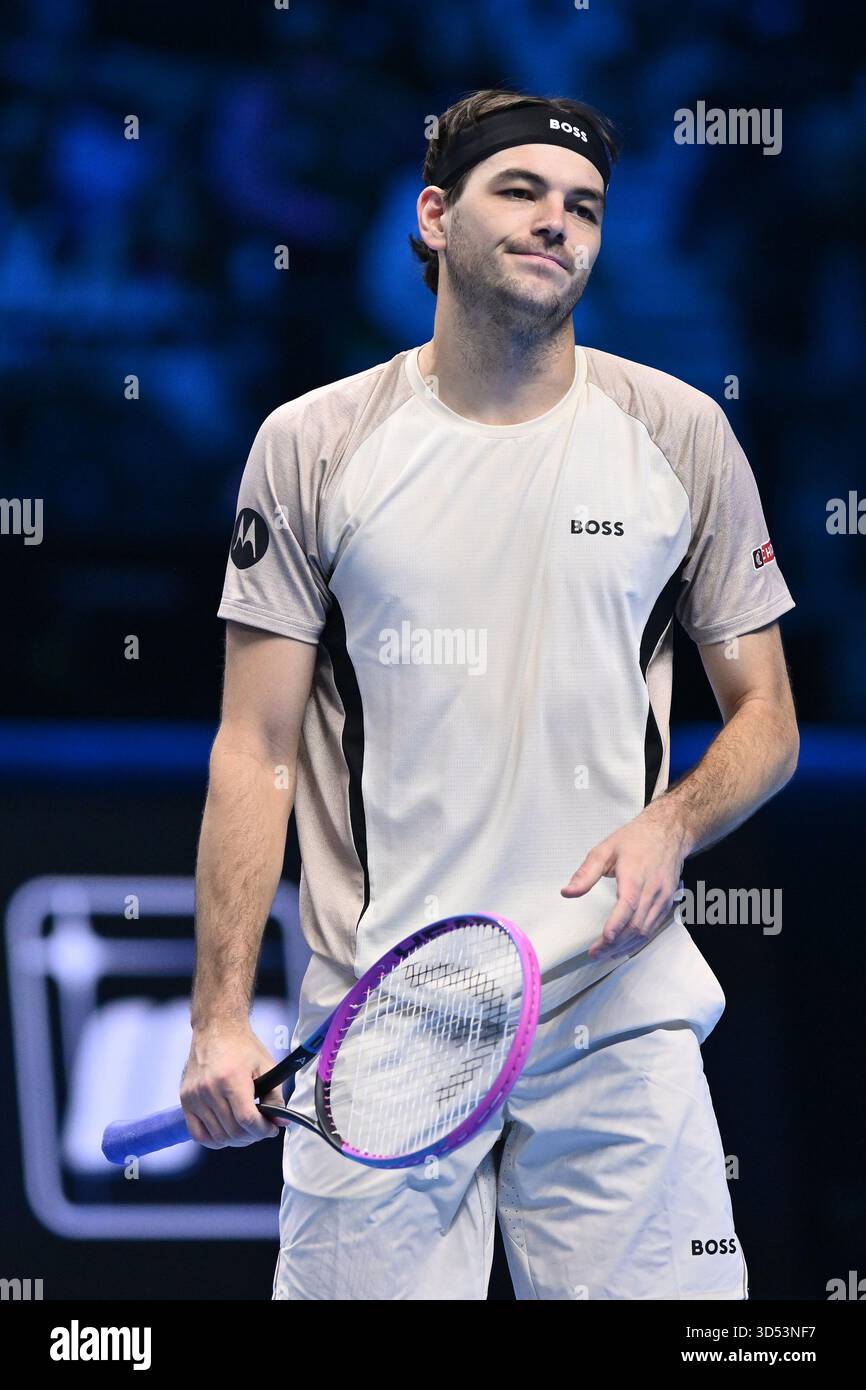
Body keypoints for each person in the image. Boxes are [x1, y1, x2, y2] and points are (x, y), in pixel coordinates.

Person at [181, 87, 799, 1300]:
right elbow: (253, 749)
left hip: (615, 1013)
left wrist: (670, 824)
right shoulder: (312, 444)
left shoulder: (679, 435)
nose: (554, 222)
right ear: (431, 217)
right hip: (378, 1028)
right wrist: (215, 1016)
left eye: (581, 206)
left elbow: (766, 715)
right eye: (518, 191)